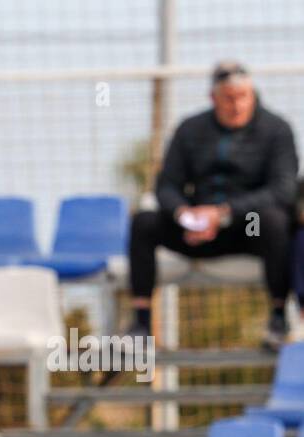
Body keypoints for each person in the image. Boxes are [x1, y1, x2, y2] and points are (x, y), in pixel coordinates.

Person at [127, 61, 299, 351]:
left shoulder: (277, 129)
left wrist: (223, 214)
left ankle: (278, 318)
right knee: (144, 222)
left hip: (249, 228)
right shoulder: (190, 129)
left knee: (274, 221)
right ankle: (140, 324)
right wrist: (185, 215)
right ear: (213, 98)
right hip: (196, 230)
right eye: (229, 98)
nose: (237, 105)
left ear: (253, 93)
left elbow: (283, 190)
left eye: (243, 96)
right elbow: (166, 185)